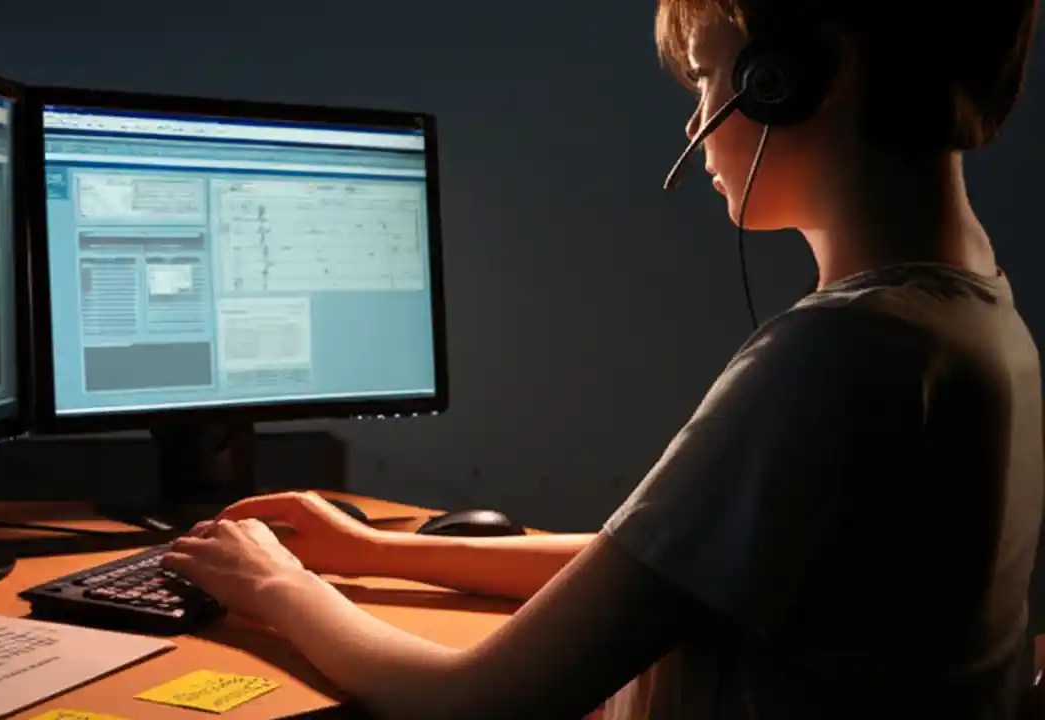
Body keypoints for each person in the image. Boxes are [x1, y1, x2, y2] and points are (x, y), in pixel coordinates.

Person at [160, 0, 1044, 717]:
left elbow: (476, 702)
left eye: (706, 77)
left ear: (798, 79)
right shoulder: (971, 315)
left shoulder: (846, 350)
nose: (695, 120)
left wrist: (276, 587)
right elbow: (665, 569)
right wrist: (371, 553)